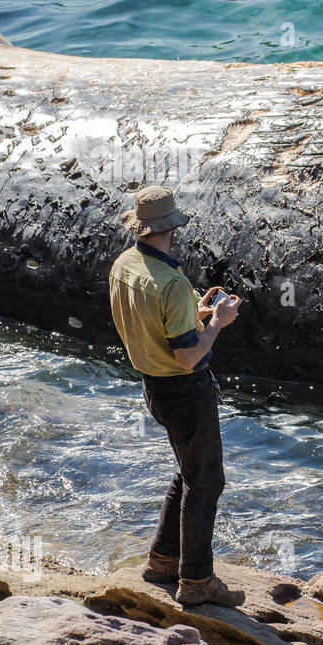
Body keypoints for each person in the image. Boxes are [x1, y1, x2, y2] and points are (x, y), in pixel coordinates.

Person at [108, 185, 245, 607]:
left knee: (189, 473)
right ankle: (197, 581)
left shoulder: (125, 265)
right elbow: (188, 356)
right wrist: (218, 322)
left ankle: (163, 560)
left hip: (154, 386)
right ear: (172, 227)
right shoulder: (170, 281)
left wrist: (195, 309)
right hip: (185, 389)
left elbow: (155, 320)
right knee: (206, 481)